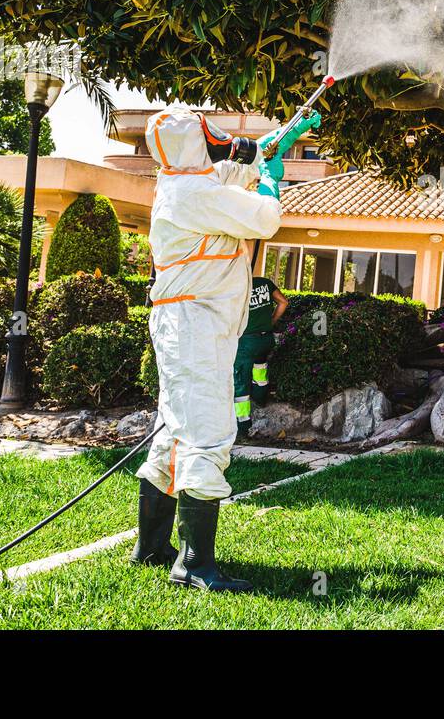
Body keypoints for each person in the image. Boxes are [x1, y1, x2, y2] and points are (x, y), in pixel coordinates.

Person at [131, 105, 318, 592]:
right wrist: (272, 182)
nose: (215, 139)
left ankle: (152, 546)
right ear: (194, 143)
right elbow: (264, 217)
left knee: (177, 432)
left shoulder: (186, 180)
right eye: (205, 135)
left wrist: (278, 140)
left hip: (190, 323)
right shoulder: (194, 193)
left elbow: (238, 167)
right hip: (195, 327)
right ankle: (194, 566)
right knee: (209, 433)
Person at [234, 272, 288, 439]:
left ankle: (243, 426)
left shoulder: (238, 286)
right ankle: (260, 399)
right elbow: (283, 302)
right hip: (266, 338)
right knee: (260, 368)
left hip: (247, 341)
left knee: (241, 383)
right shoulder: (264, 283)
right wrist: (271, 322)